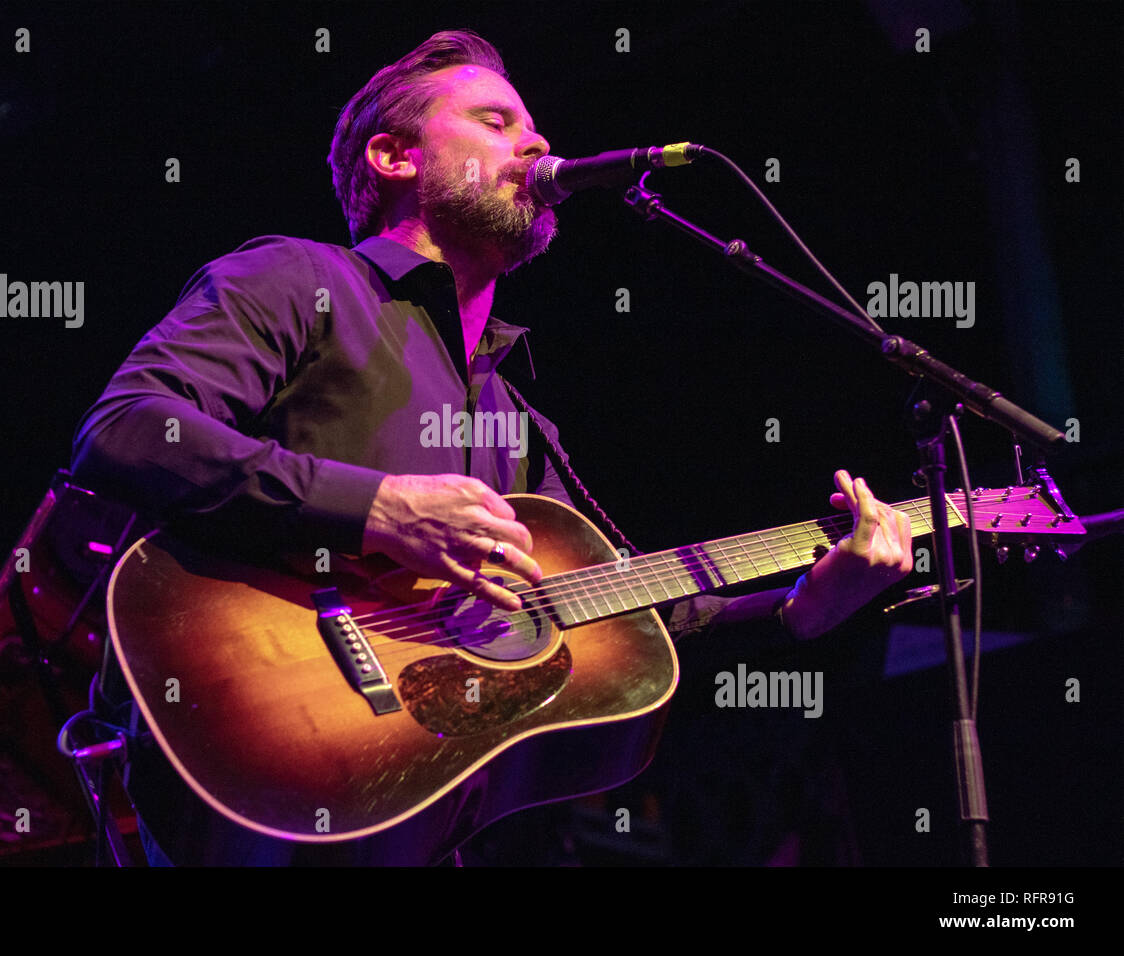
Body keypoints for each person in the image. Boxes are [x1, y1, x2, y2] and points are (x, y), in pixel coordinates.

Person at [69, 30, 913, 865]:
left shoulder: (518, 420)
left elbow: (631, 620)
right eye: (495, 121)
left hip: (430, 827)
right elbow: (129, 428)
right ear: (395, 158)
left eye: (533, 127)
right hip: (259, 751)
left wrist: (803, 609)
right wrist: (375, 510)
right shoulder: (296, 282)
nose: (538, 141)